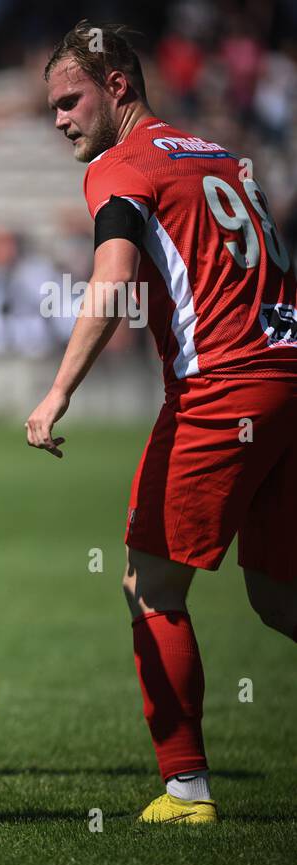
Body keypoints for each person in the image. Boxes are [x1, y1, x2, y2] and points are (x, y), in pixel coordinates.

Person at [27, 22, 297, 823]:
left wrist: (56, 392)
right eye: (51, 106)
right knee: (280, 600)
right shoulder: (215, 153)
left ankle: (185, 790)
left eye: (70, 100)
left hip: (224, 387)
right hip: (287, 374)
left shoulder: (122, 165)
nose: (60, 119)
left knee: (151, 586)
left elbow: (111, 286)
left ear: (117, 87)